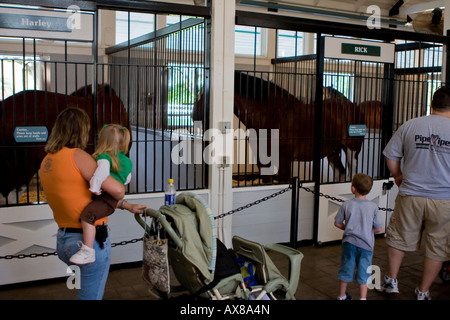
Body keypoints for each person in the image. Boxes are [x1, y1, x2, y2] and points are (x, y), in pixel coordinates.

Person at [40, 107, 146, 300]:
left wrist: (127, 206)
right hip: (87, 241)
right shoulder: (78, 156)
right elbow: (117, 189)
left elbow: (79, 196)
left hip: (64, 240)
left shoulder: (47, 161)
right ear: (81, 130)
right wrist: (121, 190)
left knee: (85, 292)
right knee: (91, 296)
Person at [380, 85, 450, 300]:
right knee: (438, 246)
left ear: (432, 104)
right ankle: (423, 291)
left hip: (411, 194)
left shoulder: (411, 125)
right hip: (445, 199)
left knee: (399, 237)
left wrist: (398, 177)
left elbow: (391, 156)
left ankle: (392, 281)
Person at [69, 124, 133, 265]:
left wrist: (95, 187)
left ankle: (88, 251)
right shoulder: (127, 160)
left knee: (87, 216)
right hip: (111, 199)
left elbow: (101, 174)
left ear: (103, 140)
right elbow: (128, 179)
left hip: (105, 196)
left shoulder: (104, 157)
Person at [334, 173, 382, 300]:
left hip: (349, 243)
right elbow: (378, 228)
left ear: (353, 188)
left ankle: (342, 295)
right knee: (364, 272)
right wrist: (367, 231)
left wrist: (348, 228)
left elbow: (337, 223)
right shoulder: (373, 207)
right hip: (366, 245)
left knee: (345, 269)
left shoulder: (347, 205)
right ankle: (363, 298)